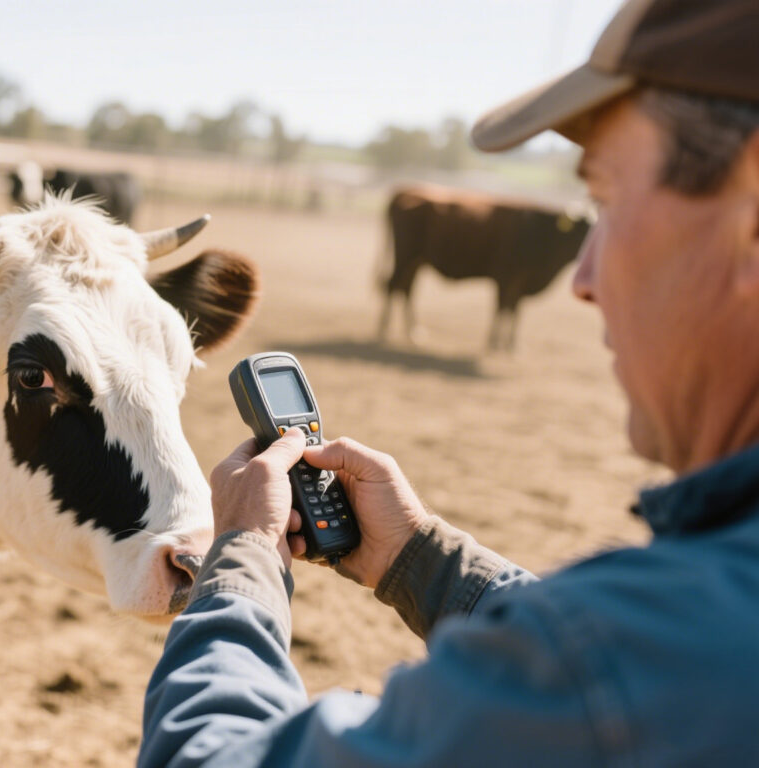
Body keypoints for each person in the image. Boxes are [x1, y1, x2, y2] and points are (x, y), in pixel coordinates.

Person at [138, 0, 759, 765]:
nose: (584, 279)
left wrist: (242, 558)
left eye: (608, 201)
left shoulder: (625, 654)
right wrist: (419, 558)